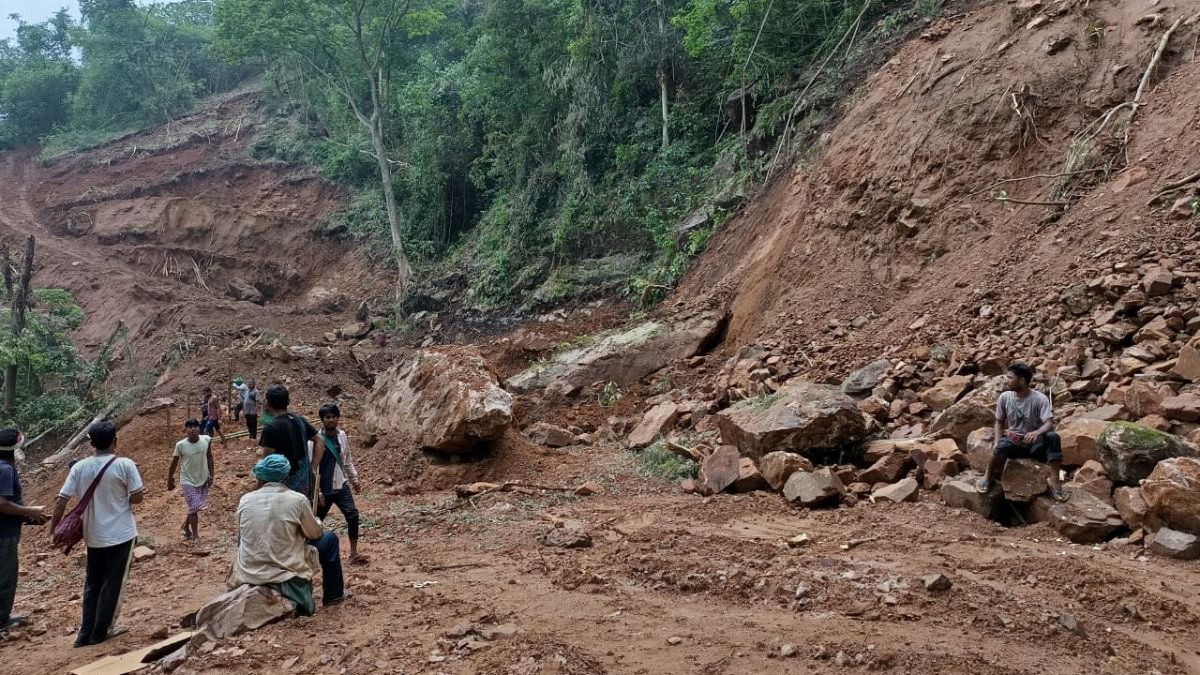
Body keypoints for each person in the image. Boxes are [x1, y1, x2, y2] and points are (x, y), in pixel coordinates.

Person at [50, 421, 145, 647]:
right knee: (112, 583)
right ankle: (100, 632)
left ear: (91, 444)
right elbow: (137, 497)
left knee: (92, 583)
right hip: (121, 534)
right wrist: (124, 495)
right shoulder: (125, 464)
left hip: (93, 535)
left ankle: (84, 633)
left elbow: (61, 500)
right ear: (115, 441)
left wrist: (53, 530)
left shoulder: (79, 467)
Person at [228, 455, 348, 614]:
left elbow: (242, 533)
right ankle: (333, 596)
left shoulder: (245, 499)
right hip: (283, 571)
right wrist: (317, 522)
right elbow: (314, 534)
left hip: (249, 571)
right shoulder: (297, 499)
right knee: (330, 539)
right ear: (286, 477)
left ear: (261, 477)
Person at [976, 363, 1067, 501]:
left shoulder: (1040, 399)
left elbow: (1049, 423)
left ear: (1022, 380)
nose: (1006, 380)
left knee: (1053, 437)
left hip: (1035, 445)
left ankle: (1054, 481)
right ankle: (988, 476)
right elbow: (999, 422)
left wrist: (1037, 432)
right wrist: (996, 443)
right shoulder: (1005, 397)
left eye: (1010, 378)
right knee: (1002, 445)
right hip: (1015, 443)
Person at [0, 428, 49, 630]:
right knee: (6, 576)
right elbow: (2, 504)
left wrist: (25, 516)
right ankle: (2, 620)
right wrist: (29, 511)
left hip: (6, 528)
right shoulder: (5, 470)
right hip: (4, 534)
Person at [312, 403, 365, 564]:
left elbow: (347, 460)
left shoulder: (342, 436)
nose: (331, 420)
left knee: (353, 515)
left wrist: (354, 479)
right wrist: (317, 491)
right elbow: (312, 467)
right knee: (315, 522)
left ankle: (354, 553)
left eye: (334, 417)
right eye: (327, 417)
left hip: (341, 486)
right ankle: (311, 553)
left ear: (338, 418)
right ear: (322, 420)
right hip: (324, 489)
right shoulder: (315, 440)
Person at [259, 384, 318, 499]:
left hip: (283, 489)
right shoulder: (299, 420)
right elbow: (319, 440)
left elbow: (268, 464)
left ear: (268, 404)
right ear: (288, 402)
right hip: (304, 485)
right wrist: (313, 466)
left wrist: (259, 490)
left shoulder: (270, 428)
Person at [167, 420, 214, 544]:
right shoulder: (180, 445)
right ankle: (195, 536)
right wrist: (169, 479)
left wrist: (211, 475)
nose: (193, 429)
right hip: (187, 480)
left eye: (195, 426)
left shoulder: (206, 440)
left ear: (199, 428)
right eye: (190, 427)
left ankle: (185, 526)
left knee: (195, 507)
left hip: (202, 478)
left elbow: (209, 457)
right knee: (194, 507)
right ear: (186, 430)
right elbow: (174, 462)